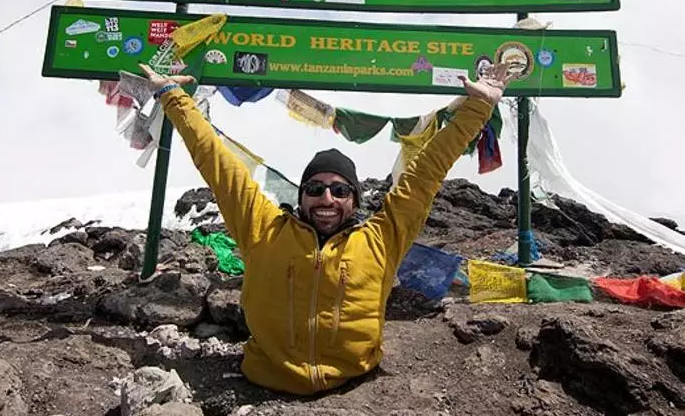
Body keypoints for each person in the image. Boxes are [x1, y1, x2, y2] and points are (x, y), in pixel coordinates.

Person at [140, 62, 509, 395]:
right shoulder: (263, 229)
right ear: (301, 197)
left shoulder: (382, 238)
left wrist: (479, 107)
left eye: (340, 189)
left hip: (355, 384)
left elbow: (427, 173)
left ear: (354, 199)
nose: (327, 199)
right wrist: (174, 97)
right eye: (315, 189)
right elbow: (218, 164)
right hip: (266, 379)